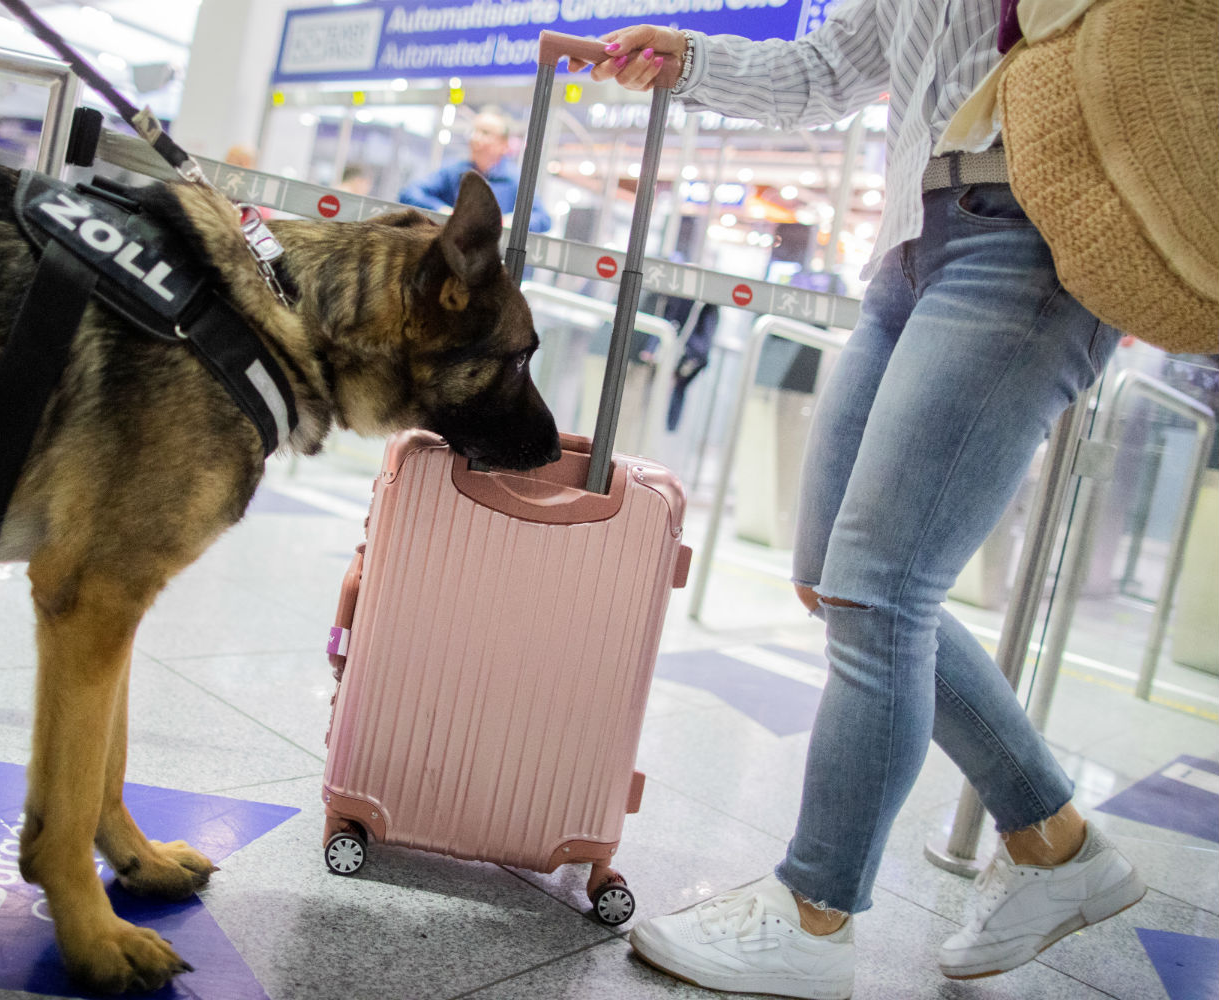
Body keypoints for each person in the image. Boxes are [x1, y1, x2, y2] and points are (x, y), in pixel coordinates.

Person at [569, 5, 1144, 998]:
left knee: (881, 591)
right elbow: (835, 65)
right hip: (915, 238)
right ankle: (1059, 842)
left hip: (1038, 235)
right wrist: (692, 58)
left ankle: (814, 912)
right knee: (831, 578)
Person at [398, 107, 551, 232]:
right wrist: (443, 211)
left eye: (485, 133)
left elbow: (543, 219)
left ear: (504, 144)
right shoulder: (453, 171)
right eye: (474, 131)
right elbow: (410, 193)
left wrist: (508, 222)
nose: (475, 138)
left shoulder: (515, 180)